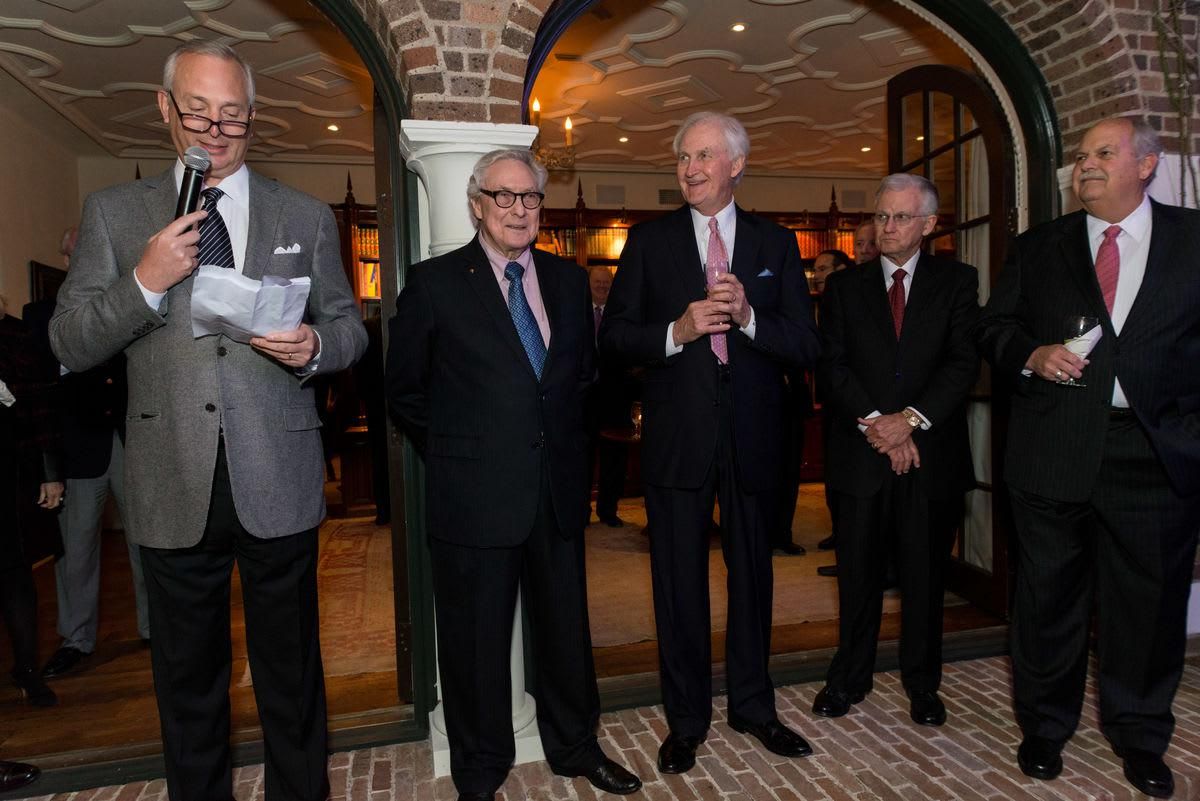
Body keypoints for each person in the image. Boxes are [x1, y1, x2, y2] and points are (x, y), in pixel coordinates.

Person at [49, 40, 367, 801]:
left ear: (253, 117)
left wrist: (316, 344)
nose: (216, 130)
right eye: (198, 111)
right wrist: (143, 283)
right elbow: (68, 339)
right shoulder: (114, 214)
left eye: (234, 116)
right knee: (189, 684)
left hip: (279, 475)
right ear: (165, 108)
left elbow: (351, 326)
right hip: (171, 478)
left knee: (290, 675)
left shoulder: (306, 213)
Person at [386, 149, 642, 801]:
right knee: (475, 641)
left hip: (555, 490)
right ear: (476, 203)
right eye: (505, 197)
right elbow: (405, 390)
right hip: (473, 496)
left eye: (530, 198)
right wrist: (460, 450)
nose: (519, 210)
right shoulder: (435, 282)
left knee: (565, 634)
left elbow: (580, 379)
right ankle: (479, 766)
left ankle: (576, 747)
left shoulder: (565, 279)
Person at [974, 115, 1200, 799]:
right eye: (1081, 156)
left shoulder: (1194, 241)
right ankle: (1044, 727)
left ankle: (1139, 734)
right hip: (1054, 448)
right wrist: (1031, 354)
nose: (1086, 166)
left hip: (1155, 454)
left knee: (1148, 605)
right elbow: (994, 327)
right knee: (1047, 600)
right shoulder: (1040, 246)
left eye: (1105, 153)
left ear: (1148, 165)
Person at [599, 111, 820, 774]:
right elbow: (613, 340)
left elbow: (807, 343)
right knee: (677, 585)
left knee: (754, 578)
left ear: (735, 165)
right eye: (682, 158)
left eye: (702, 156)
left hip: (754, 438)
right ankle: (686, 719)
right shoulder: (648, 241)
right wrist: (678, 330)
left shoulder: (776, 244)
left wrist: (750, 317)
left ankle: (754, 706)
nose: (689, 168)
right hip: (678, 439)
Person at [811, 173, 977, 729]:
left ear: (928, 224)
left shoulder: (958, 282)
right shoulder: (844, 289)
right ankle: (848, 678)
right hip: (860, 459)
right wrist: (879, 429)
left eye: (901, 217)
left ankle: (923, 684)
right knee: (857, 577)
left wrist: (908, 423)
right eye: (882, 216)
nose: (887, 227)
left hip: (931, 458)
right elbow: (831, 368)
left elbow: (961, 365)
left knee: (924, 579)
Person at [42, 225, 152, 681]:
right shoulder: (39, 317)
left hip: (135, 442)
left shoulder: (133, 305)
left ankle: (156, 628)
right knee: (76, 549)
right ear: (69, 262)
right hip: (78, 450)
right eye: (79, 253)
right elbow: (39, 398)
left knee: (148, 540)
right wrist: (50, 466)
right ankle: (76, 638)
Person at [1, 296, 62, 713]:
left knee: (16, 574)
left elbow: (40, 408)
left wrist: (49, 472)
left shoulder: (14, 334)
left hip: (12, 473)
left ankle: (27, 669)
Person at [586, 265, 632, 527]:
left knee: (615, 458)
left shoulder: (619, 314)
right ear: (589, 283)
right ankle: (582, 511)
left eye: (607, 283)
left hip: (616, 397)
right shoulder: (577, 310)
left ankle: (608, 510)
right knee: (583, 457)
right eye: (598, 282)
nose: (602, 287)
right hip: (584, 398)